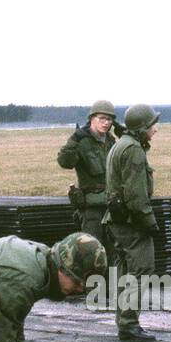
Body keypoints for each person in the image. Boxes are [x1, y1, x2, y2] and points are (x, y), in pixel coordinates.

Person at [104, 103, 161, 342]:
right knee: (141, 271)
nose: (156, 129)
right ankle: (129, 324)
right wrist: (150, 223)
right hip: (131, 223)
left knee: (124, 272)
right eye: (152, 125)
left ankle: (124, 322)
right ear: (142, 127)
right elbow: (136, 196)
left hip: (118, 221)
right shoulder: (133, 149)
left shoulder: (120, 146)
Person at [57, 100, 118, 245]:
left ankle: (112, 270)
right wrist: (74, 140)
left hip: (111, 205)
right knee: (92, 249)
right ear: (91, 118)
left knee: (113, 251)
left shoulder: (111, 141)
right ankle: (95, 270)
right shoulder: (82, 141)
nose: (106, 123)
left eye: (109, 119)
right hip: (92, 209)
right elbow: (65, 162)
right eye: (101, 118)